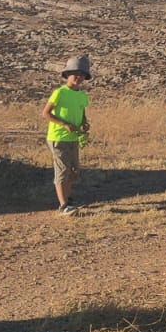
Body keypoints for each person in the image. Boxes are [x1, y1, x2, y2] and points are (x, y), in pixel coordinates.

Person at [42, 55, 92, 215]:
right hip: (58, 137)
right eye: (75, 74)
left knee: (73, 170)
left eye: (82, 75)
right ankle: (63, 205)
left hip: (74, 137)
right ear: (67, 75)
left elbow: (82, 112)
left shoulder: (82, 96)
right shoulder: (59, 93)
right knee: (62, 170)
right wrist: (64, 124)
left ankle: (68, 199)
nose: (78, 77)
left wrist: (84, 123)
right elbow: (46, 114)